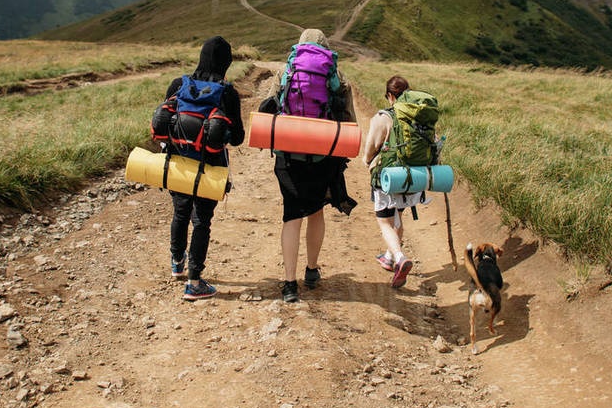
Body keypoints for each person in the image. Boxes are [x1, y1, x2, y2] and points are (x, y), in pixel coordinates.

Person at [265, 29, 356, 304]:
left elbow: (269, 110)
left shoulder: (286, 72)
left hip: (289, 156)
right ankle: (312, 271)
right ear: (326, 48)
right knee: (316, 212)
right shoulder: (338, 77)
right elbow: (350, 120)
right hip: (323, 155)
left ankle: (290, 284)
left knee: (291, 216)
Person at [165, 36, 244, 300]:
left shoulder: (179, 85)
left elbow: (165, 121)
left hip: (178, 162)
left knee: (180, 213)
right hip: (210, 167)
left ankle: (177, 263)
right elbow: (238, 137)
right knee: (202, 221)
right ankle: (194, 281)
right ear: (226, 63)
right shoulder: (228, 92)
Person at [361, 75, 427, 288]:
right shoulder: (420, 116)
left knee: (384, 221)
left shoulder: (383, 117)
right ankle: (389, 257)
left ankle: (399, 257)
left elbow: (371, 147)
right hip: (414, 176)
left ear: (390, 96)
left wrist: (367, 161)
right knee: (398, 215)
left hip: (389, 176)